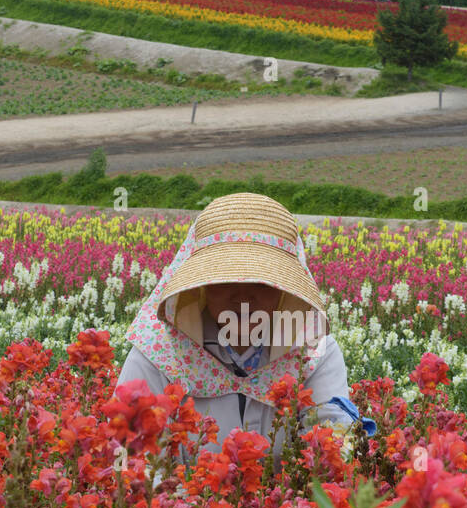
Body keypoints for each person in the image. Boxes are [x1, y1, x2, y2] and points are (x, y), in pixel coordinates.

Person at [114, 192, 375, 455]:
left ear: (284, 291)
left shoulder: (313, 353)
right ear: (203, 287)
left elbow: (333, 447)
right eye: (225, 280)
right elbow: (132, 458)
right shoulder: (160, 353)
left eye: (261, 283)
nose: (243, 297)